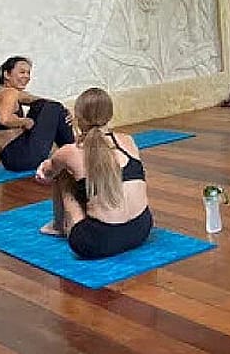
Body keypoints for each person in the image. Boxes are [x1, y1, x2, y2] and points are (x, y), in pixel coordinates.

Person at [35, 88, 153, 259]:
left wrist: (46, 167)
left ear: (78, 118)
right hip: (141, 229)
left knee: (64, 174)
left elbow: (47, 173)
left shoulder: (69, 151)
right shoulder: (128, 140)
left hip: (96, 242)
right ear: (109, 115)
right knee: (108, 179)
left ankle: (59, 226)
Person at [0, 56, 75, 172]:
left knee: (46, 105)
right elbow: (5, 119)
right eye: (22, 72)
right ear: (7, 74)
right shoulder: (10, 92)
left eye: (28, 73)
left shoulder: (4, 92)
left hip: (11, 161)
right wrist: (26, 121)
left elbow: (37, 100)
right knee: (54, 107)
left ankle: (70, 150)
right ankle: (73, 151)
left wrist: (63, 109)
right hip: (22, 157)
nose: (26, 76)